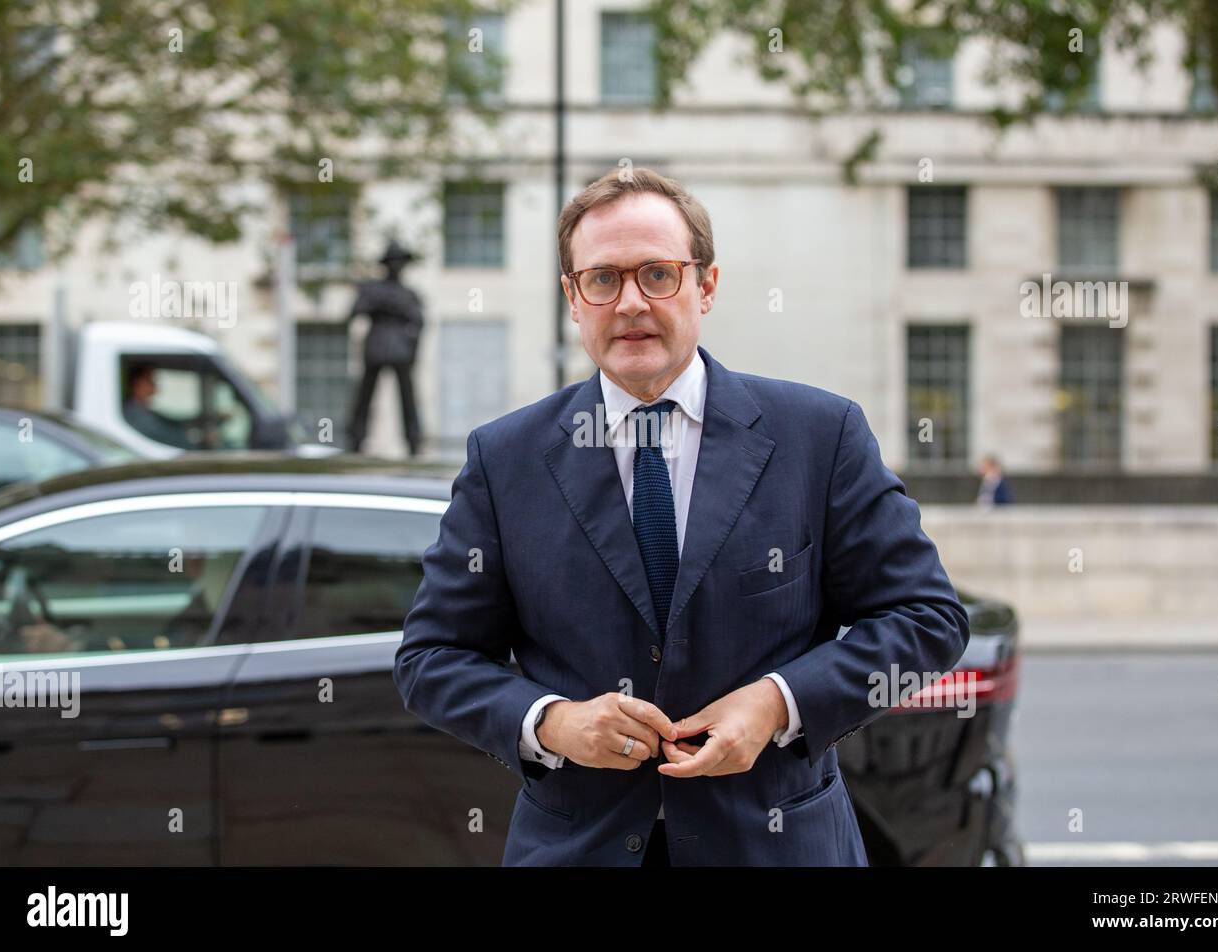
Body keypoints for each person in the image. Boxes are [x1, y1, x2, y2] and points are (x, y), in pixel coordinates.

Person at [393, 168, 969, 866]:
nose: (631, 301)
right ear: (573, 299)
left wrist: (778, 704)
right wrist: (553, 723)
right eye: (603, 279)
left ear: (707, 285)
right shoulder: (504, 458)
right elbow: (430, 660)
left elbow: (928, 619)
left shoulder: (819, 435)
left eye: (658, 274)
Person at [346, 240, 425, 455]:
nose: (396, 266)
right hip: (377, 347)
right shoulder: (372, 289)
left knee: (407, 397)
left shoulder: (409, 294)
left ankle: (414, 440)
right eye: (393, 262)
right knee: (365, 395)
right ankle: (356, 438)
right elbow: (354, 312)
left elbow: (418, 322)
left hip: (400, 349)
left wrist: (413, 350)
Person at [121, 364, 202, 450]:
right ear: (138, 383)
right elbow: (164, 435)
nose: (155, 388)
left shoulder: (142, 410)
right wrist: (197, 438)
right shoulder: (133, 413)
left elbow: (170, 422)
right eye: (150, 381)